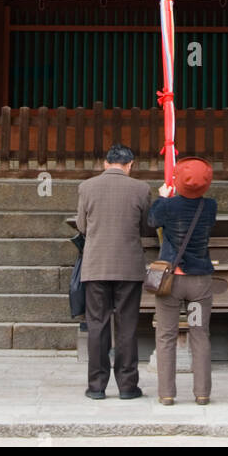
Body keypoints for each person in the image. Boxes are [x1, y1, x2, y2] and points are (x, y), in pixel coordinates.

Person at [75, 143, 152, 400]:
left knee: (96, 325)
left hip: (96, 265)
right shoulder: (141, 189)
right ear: (130, 165)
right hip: (129, 266)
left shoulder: (86, 187)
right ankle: (128, 386)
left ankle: (96, 386)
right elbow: (145, 227)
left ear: (105, 163)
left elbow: (81, 226)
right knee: (127, 326)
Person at [148, 156, 218, 405]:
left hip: (170, 283)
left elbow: (152, 221)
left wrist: (163, 197)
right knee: (200, 334)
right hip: (199, 283)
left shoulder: (167, 206)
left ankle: (166, 394)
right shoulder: (210, 207)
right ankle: (202, 393)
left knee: (166, 335)